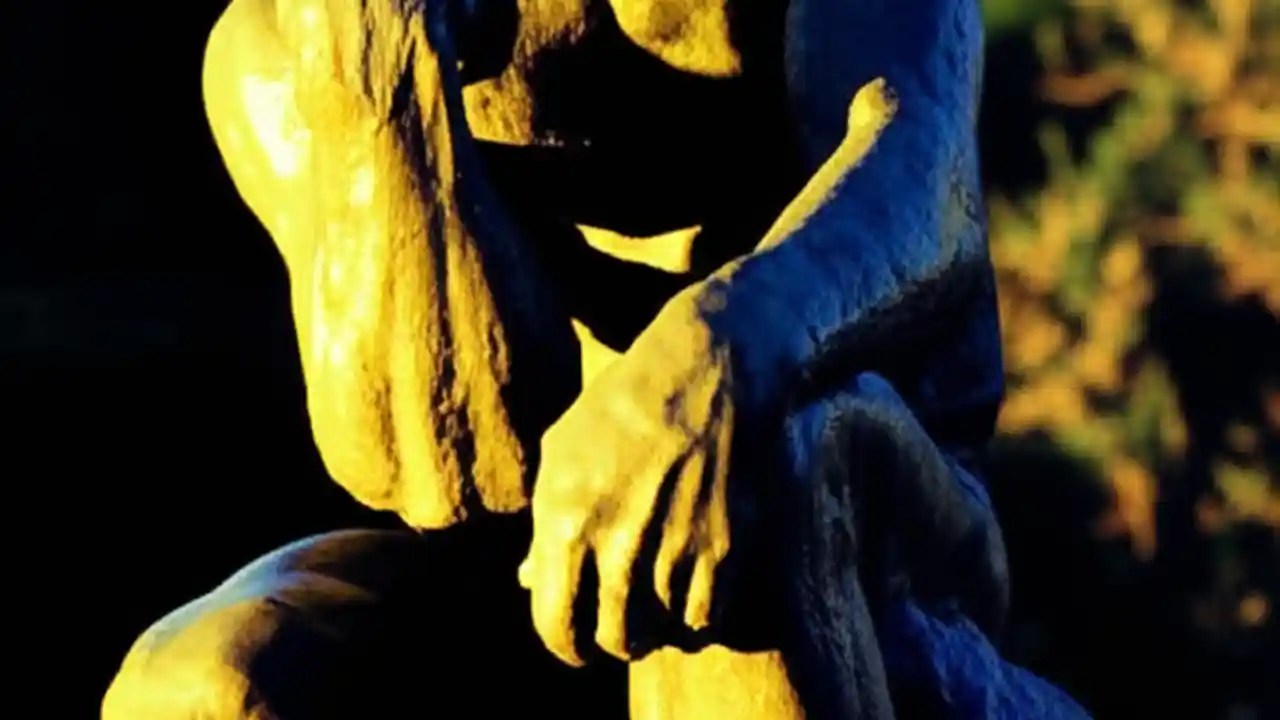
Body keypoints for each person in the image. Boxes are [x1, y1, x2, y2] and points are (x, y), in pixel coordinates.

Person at [103, 0, 1089, 717]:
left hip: (868, 515)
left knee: (740, 476)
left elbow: (925, 198)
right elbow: (440, 470)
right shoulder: (275, 55)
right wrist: (384, 102)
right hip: (536, 566)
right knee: (201, 681)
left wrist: (719, 351)